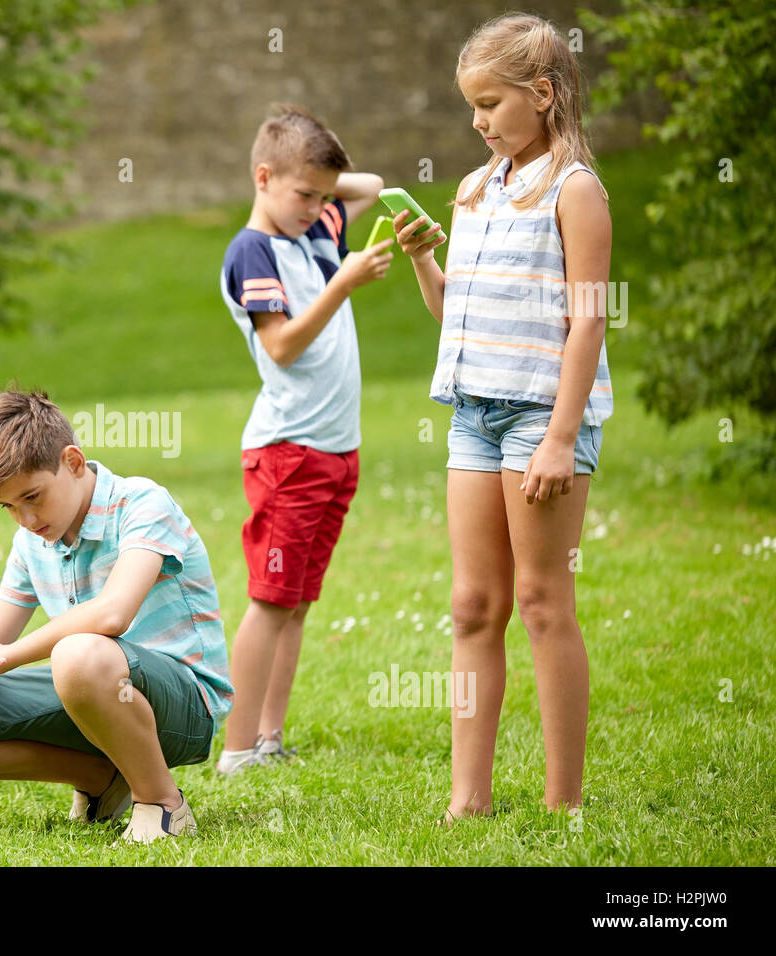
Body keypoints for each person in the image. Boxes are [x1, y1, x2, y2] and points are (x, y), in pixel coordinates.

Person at [393, 13, 613, 820]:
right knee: (472, 605)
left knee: (543, 601)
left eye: (490, 103)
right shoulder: (474, 189)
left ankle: (564, 804)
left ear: (544, 95)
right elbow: (455, 312)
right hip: (472, 413)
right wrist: (424, 255)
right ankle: (467, 801)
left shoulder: (575, 190)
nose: (478, 121)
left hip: (541, 417)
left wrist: (560, 436)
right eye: (472, 107)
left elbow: (588, 320)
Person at [0, 390, 233, 842]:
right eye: (9, 506)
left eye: (33, 496)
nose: (26, 519)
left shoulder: (142, 503)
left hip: (184, 706)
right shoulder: (33, 541)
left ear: (72, 461)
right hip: (87, 693)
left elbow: (112, 614)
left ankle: (163, 805)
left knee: (78, 654)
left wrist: (7, 657)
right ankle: (101, 781)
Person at [214, 105, 392, 775]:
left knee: (298, 603)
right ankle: (235, 748)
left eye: (322, 196)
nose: (318, 207)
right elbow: (282, 345)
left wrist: (315, 183)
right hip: (288, 450)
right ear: (262, 177)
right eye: (303, 195)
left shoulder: (313, 226)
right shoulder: (253, 251)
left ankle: (269, 738)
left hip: (336, 449)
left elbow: (365, 184)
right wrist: (344, 283)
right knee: (269, 600)